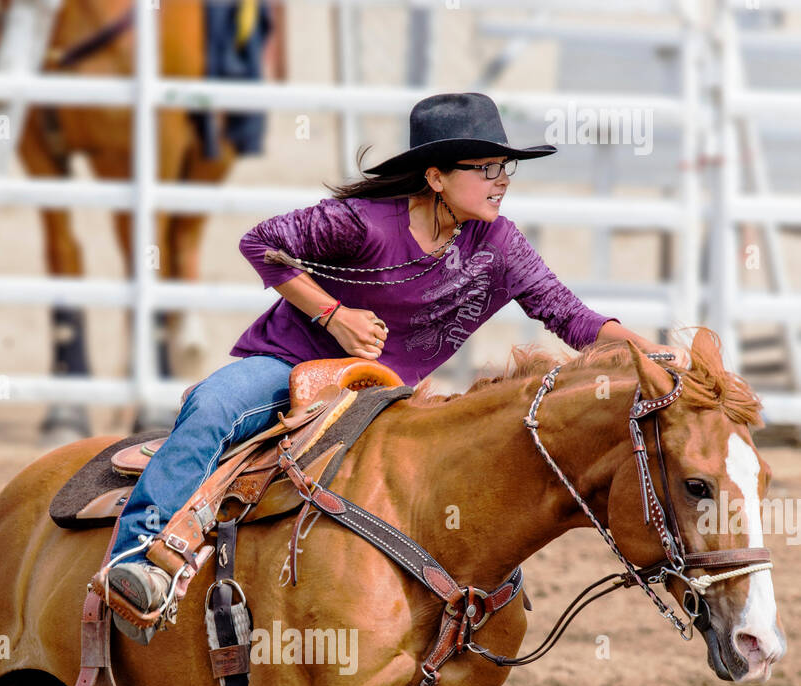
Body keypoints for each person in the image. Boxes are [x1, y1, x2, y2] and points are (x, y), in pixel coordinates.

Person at [102, 90, 683, 636]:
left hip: (386, 397)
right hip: (291, 366)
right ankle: (136, 562)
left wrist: (653, 355)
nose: (501, 181)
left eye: (505, 168)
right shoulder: (363, 223)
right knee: (213, 405)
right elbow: (262, 243)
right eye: (484, 168)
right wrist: (334, 315)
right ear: (436, 178)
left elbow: (571, 317)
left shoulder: (500, 247)